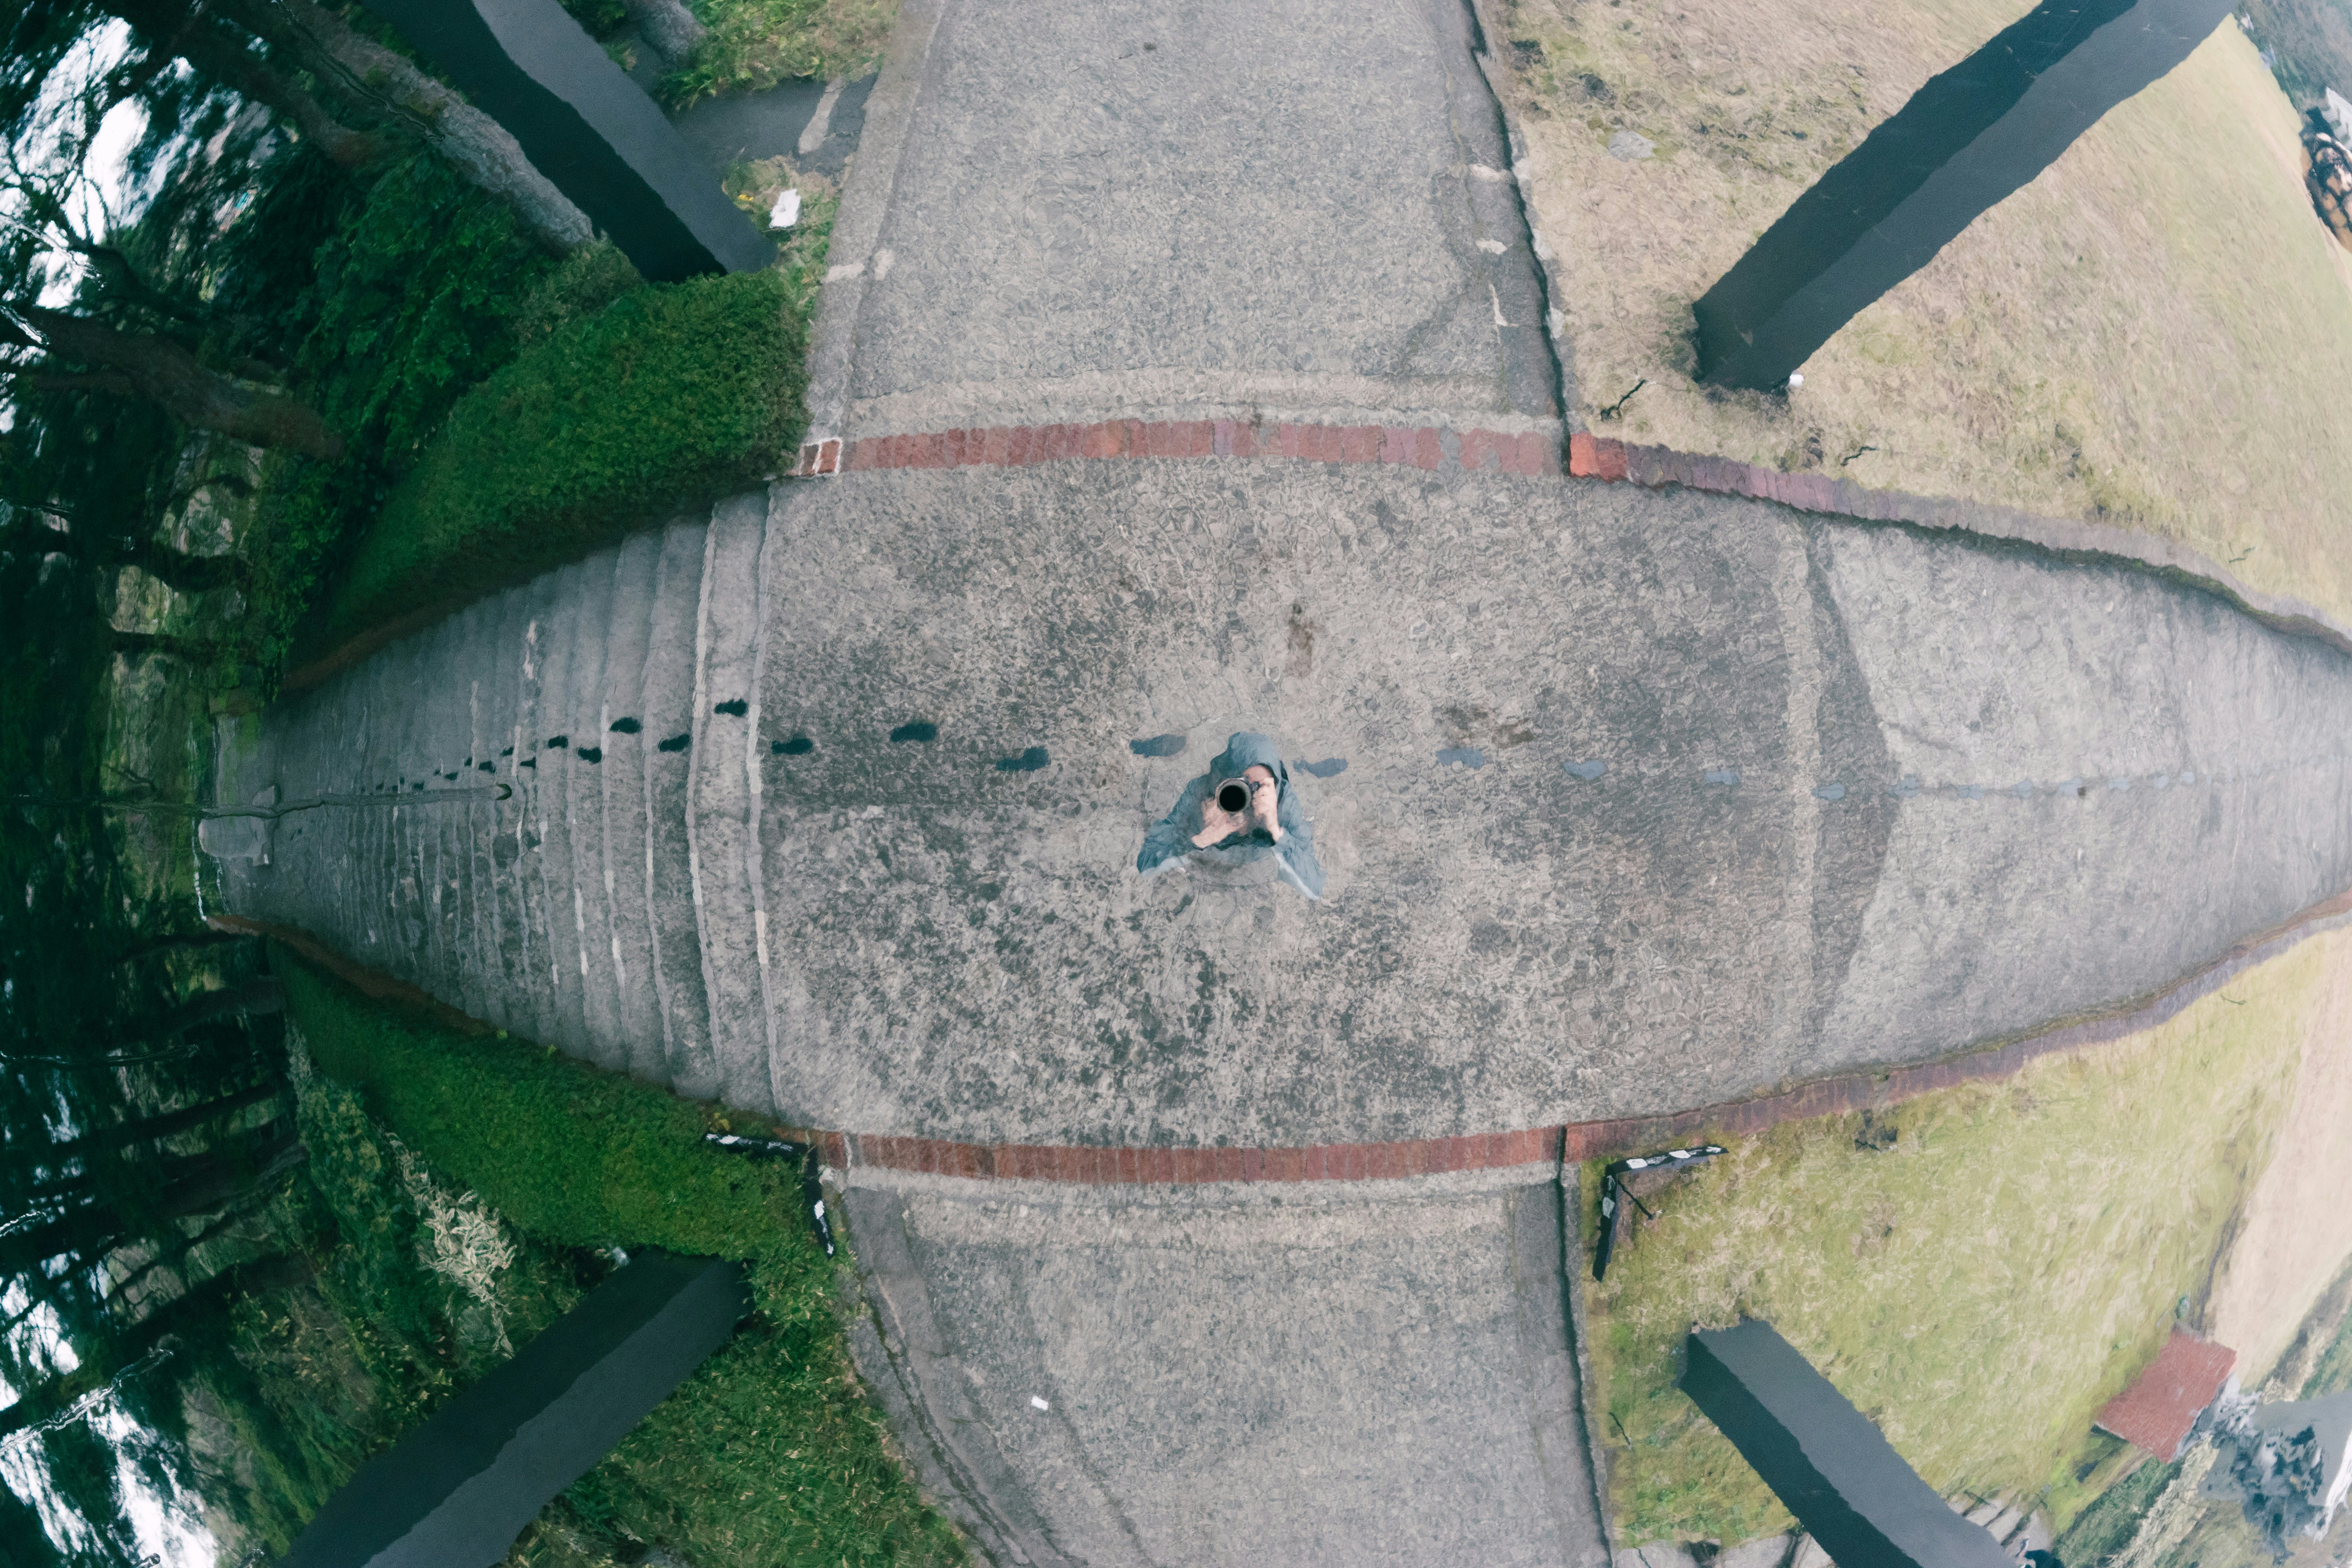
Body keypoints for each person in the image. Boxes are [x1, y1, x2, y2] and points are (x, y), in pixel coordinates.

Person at [1136, 732, 1325, 899]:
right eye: (1244, 781)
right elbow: (1146, 863)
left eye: (1260, 786)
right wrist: (1202, 838)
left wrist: (1276, 831)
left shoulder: (1283, 806)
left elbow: (1314, 888)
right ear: (1226, 776)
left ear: (1274, 786)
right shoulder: (1201, 792)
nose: (1249, 793)